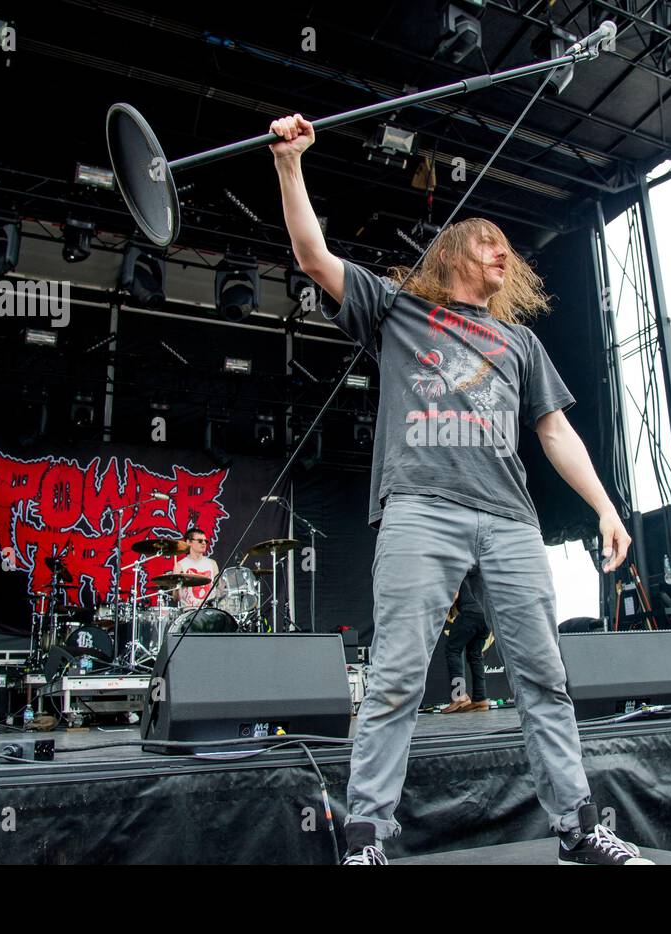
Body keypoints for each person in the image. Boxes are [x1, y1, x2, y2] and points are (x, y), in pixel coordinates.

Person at [271, 112, 651, 865]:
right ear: (453, 253)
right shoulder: (398, 310)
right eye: (490, 245)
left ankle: (577, 827)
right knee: (398, 676)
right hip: (422, 508)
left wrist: (606, 506)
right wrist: (290, 163)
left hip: (511, 519)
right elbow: (314, 257)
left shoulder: (520, 342)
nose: (503, 256)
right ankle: (368, 837)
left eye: (509, 251)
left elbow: (554, 432)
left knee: (544, 675)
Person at [440, 574, 490, 714]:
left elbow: (453, 595)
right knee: (475, 655)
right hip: (486, 618)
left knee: (453, 650)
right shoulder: (480, 571)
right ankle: (480, 699)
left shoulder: (458, 569)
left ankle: (459, 695)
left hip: (470, 613)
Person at [171, 527, 217, 609]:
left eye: (205, 541)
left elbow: (219, 590)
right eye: (200, 541)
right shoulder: (180, 565)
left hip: (209, 612)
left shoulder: (212, 564)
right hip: (189, 613)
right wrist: (177, 585)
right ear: (189, 542)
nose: (204, 543)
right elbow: (176, 598)